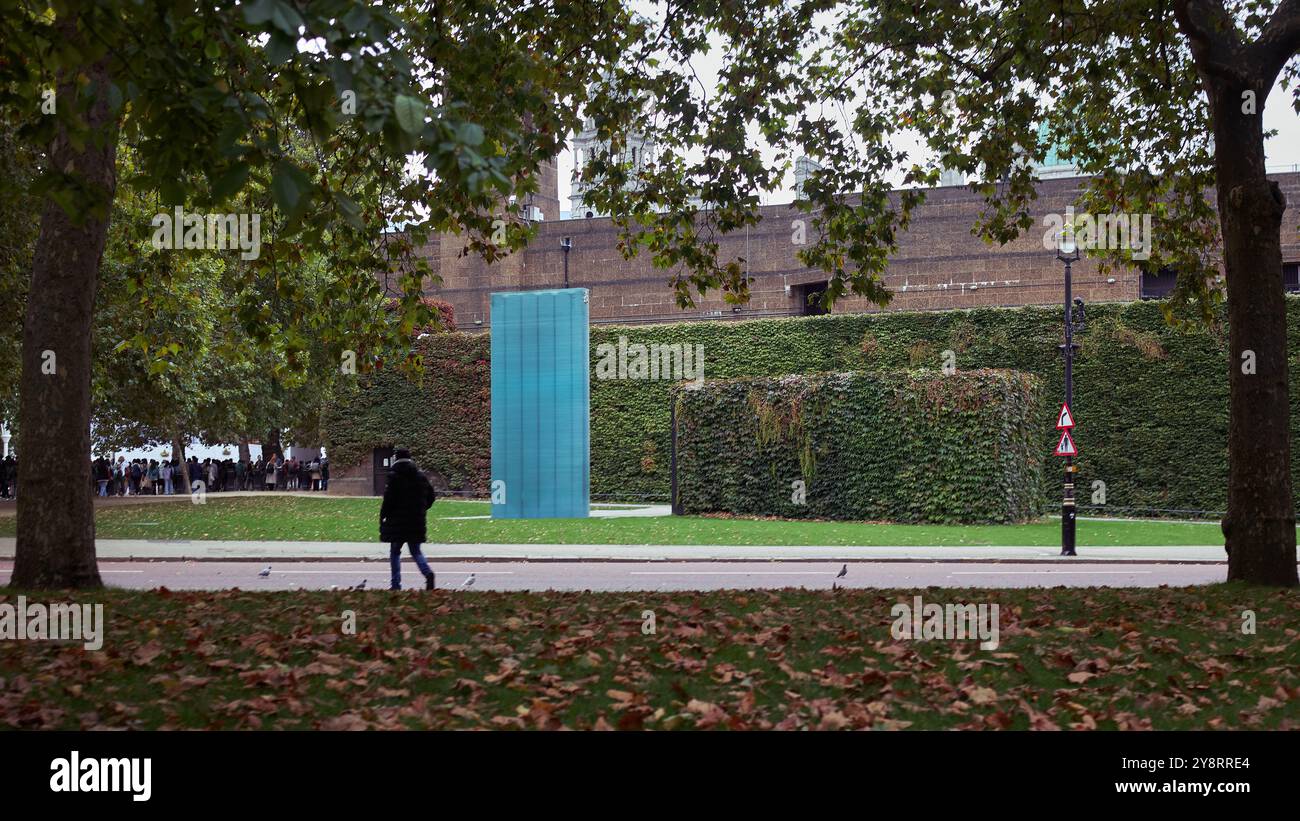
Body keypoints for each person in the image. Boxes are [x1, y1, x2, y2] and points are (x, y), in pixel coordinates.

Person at [379, 448, 436, 591]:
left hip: (397, 522)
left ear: (396, 459)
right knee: (416, 551)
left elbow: (388, 501)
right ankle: (428, 573)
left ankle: (395, 584)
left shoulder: (394, 477)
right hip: (416, 520)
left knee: (395, 552)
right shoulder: (420, 476)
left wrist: (383, 516)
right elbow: (431, 497)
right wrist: (422, 508)